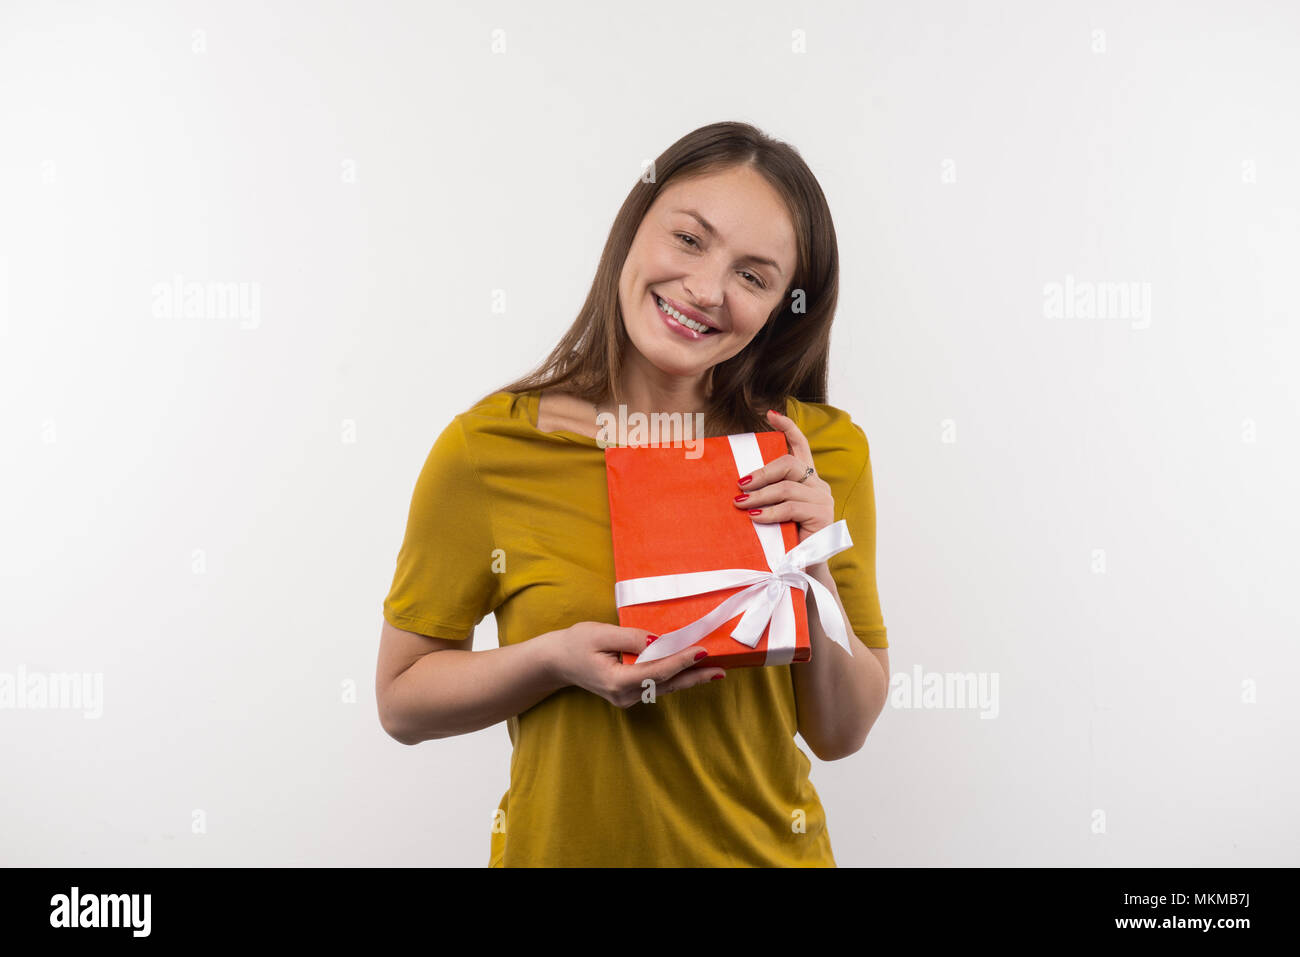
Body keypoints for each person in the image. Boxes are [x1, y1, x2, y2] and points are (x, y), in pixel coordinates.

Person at [376, 121, 890, 867]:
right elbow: (401, 701)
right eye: (689, 239)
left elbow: (843, 732)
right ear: (632, 230)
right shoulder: (493, 448)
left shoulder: (818, 456)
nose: (707, 289)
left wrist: (810, 565)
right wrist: (552, 661)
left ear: (784, 306)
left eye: (753, 276)